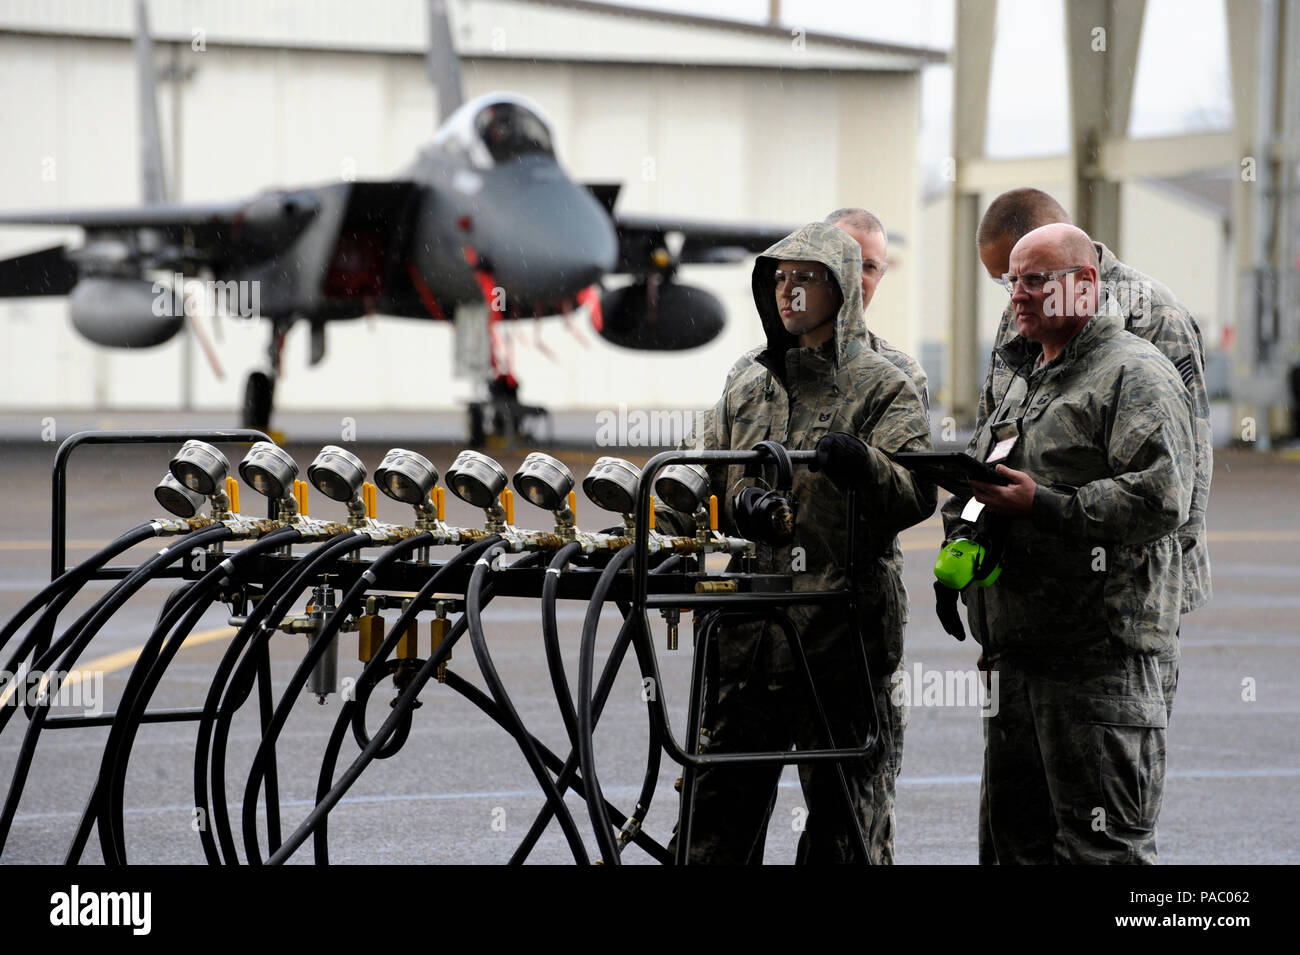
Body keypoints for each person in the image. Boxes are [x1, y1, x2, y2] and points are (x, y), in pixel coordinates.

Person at [663, 220, 936, 864]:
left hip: (839, 637)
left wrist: (863, 465)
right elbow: (699, 479)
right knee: (712, 823)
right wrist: (677, 529)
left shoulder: (885, 383)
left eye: (806, 280)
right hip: (746, 637)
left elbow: (916, 496)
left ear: (841, 290)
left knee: (844, 828)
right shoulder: (747, 383)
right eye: (780, 280)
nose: (789, 293)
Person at [942, 223, 1195, 864]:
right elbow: (988, 473)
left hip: (1098, 662)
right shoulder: (1026, 376)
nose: (1018, 296)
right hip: (1019, 655)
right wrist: (961, 541)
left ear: (1084, 284)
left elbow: (1163, 497)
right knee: (1015, 847)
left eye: (1035, 280)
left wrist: (1046, 505)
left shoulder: (1133, 374)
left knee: (1100, 852)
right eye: (1011, 282)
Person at [826, 207, 930, 410]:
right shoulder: (759, 372)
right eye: (845, 262)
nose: (856, 277)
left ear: (880, 276)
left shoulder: (901, 376)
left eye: (869, 267)